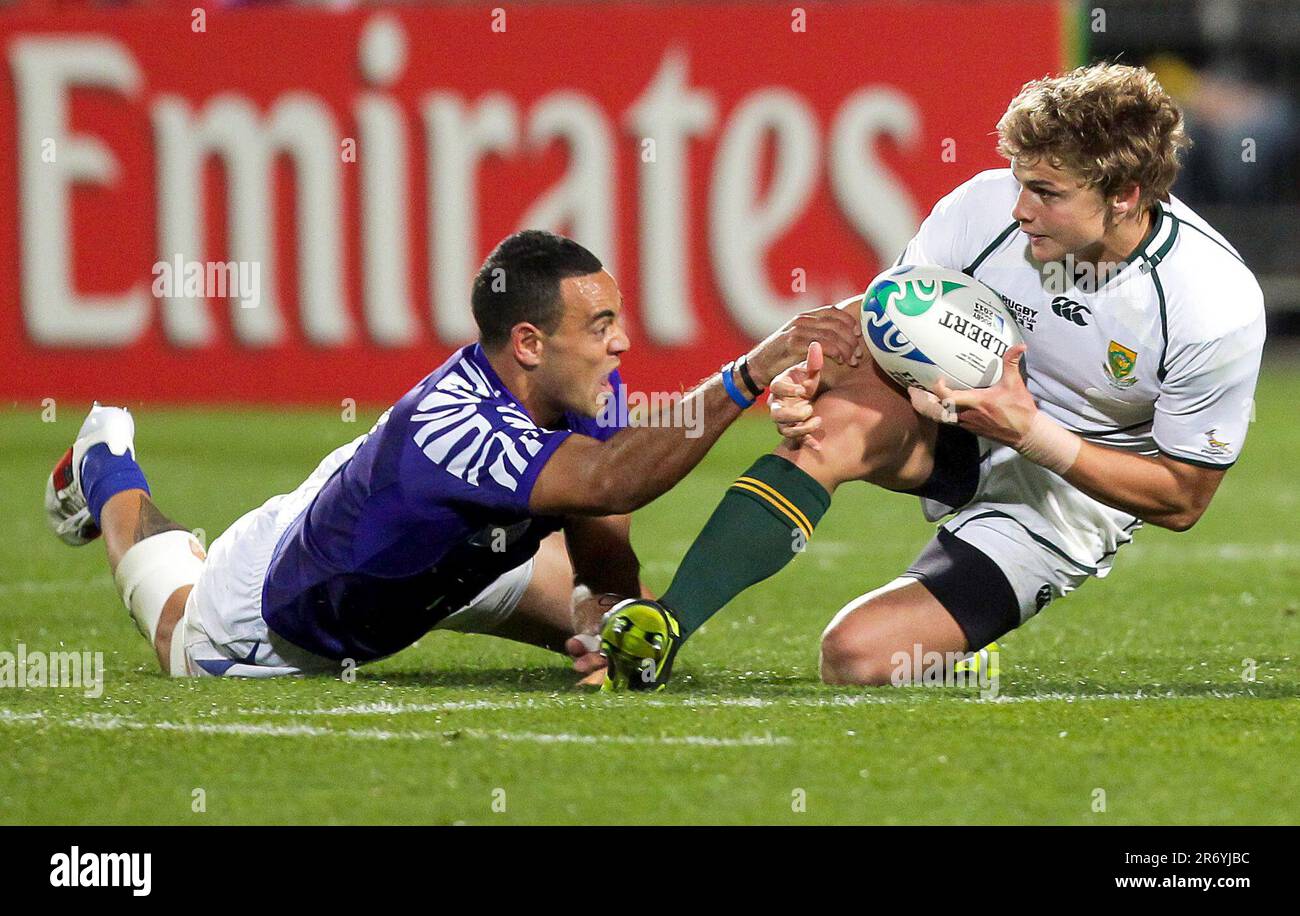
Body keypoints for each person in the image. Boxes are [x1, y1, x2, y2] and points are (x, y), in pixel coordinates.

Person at [597, 63, 1266, 691]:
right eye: (1019, 181)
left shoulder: (1211, 302)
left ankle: (952, 649)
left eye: (1046, 193)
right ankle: (667, 627)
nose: (1019, 210)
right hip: (955, 424)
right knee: (827, 427)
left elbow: (1183, 498)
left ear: (1124, 196)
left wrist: (1033, 433)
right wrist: (812, 380)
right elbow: (884, 317)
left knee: (854, 657)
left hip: (1066, 492)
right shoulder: (982, 208)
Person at [44, 229, 861, 678]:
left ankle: (584, 612)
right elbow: (616, 476)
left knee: (622, 631)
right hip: (286, 609)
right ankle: (105, 460)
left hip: (453, 546)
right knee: (175, 621)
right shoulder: (457, 431)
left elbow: (597, 498)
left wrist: (600, 599)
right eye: (601, 324)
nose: (623, 341)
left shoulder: (579, 384)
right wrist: (753, 369)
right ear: (531, 342)